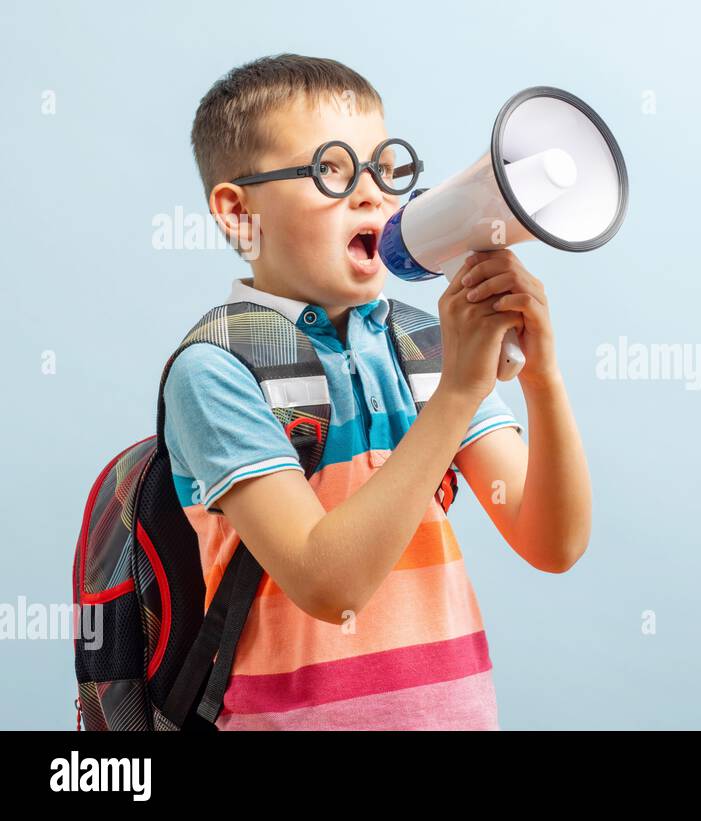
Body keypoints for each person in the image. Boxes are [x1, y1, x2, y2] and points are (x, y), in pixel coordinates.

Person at [163, 53, 592, 729]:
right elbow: (328, 584)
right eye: (331, 169)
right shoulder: (218, 369)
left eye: (386, 169)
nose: (373, 195)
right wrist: (455, 394)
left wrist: (542, 378)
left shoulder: (428, 346)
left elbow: (553, 541)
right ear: (239, 213)